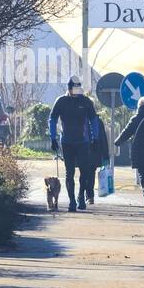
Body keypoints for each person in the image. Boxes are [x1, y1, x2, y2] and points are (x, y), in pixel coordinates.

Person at [48, 76, 98, 211]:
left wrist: (95, 138)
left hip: (83, 141)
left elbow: (94, 120)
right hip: (67, 142)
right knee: (69, 172)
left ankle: (81, 196)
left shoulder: (86, 101)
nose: (75, 92)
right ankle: (71, 202)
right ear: (68, 89)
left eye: (76, 89)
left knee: (84, 171)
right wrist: (52, 138)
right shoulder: (61, 101)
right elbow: (52, 119)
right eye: (72, 89)